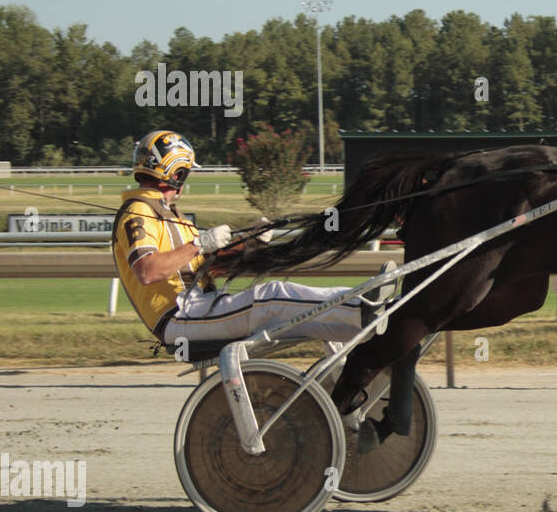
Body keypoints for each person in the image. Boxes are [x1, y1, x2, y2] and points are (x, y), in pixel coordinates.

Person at [111, 130, 396, 350]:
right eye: (185, 172)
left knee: (300, 321)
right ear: (176, 172)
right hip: (179, 318)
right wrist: (200, 243)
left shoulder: (171, 215)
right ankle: (360, 304)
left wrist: (250, 241)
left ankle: (369, 328)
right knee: (271, 296)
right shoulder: (138, 211)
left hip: (200, 307)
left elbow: (208, 267)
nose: (185, 181)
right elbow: (147, 271)